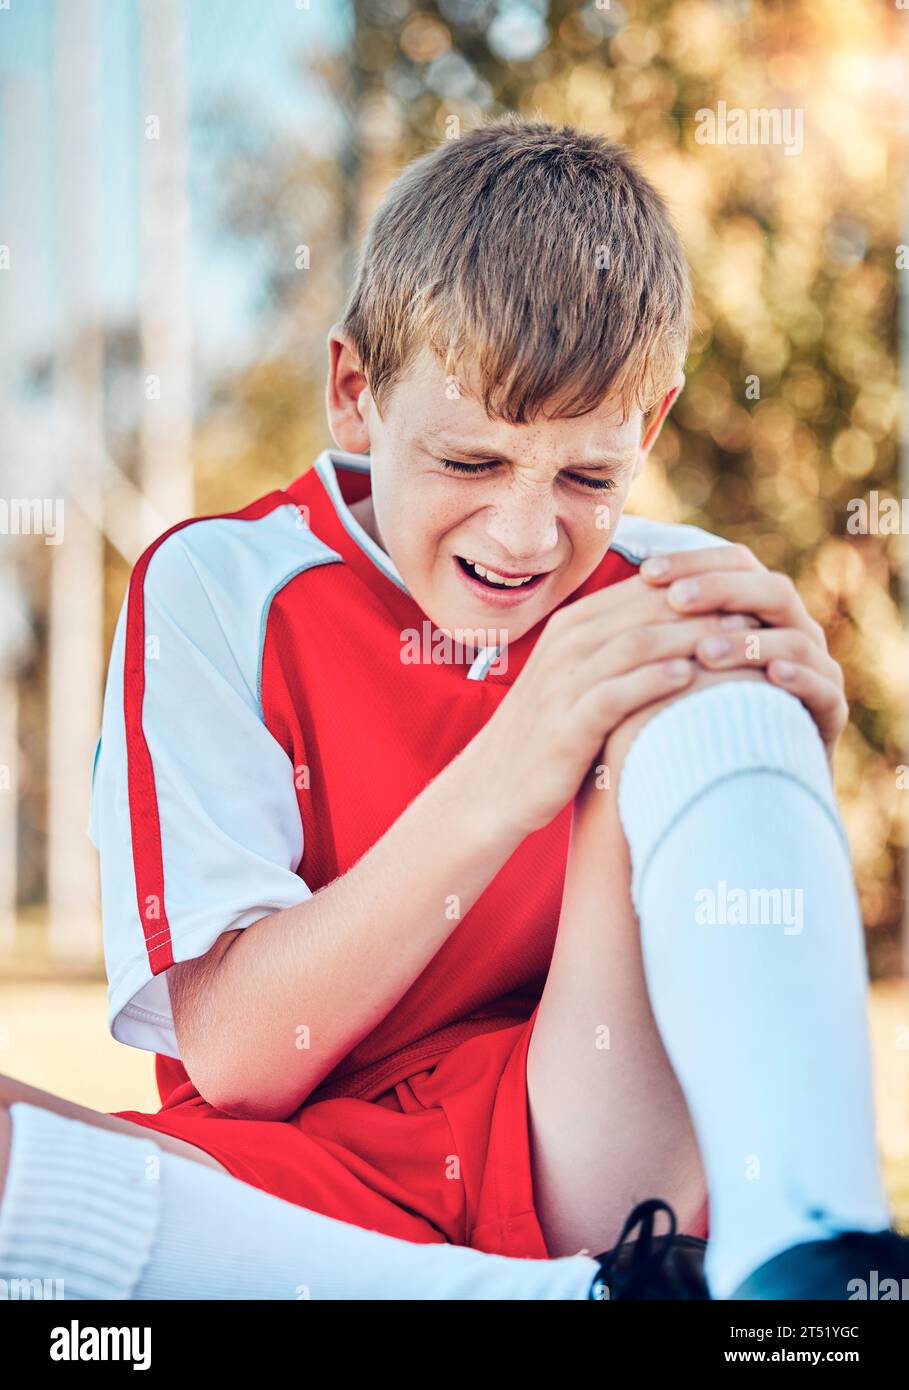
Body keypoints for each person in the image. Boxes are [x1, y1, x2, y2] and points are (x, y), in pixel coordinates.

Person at [1, 116, 906, 1301]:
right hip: (291, 1199)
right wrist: (512, 762)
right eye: (471, 464)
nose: (526, 535)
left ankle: (823, 1261)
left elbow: (726, 938)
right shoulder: (219, 588)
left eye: (588, 476)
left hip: (581, 1152)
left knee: (711, 645)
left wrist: (776, 761)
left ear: (654, 426)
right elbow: (238, 1063)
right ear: (355, 394)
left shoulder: (661, 587)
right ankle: (580, 1301)